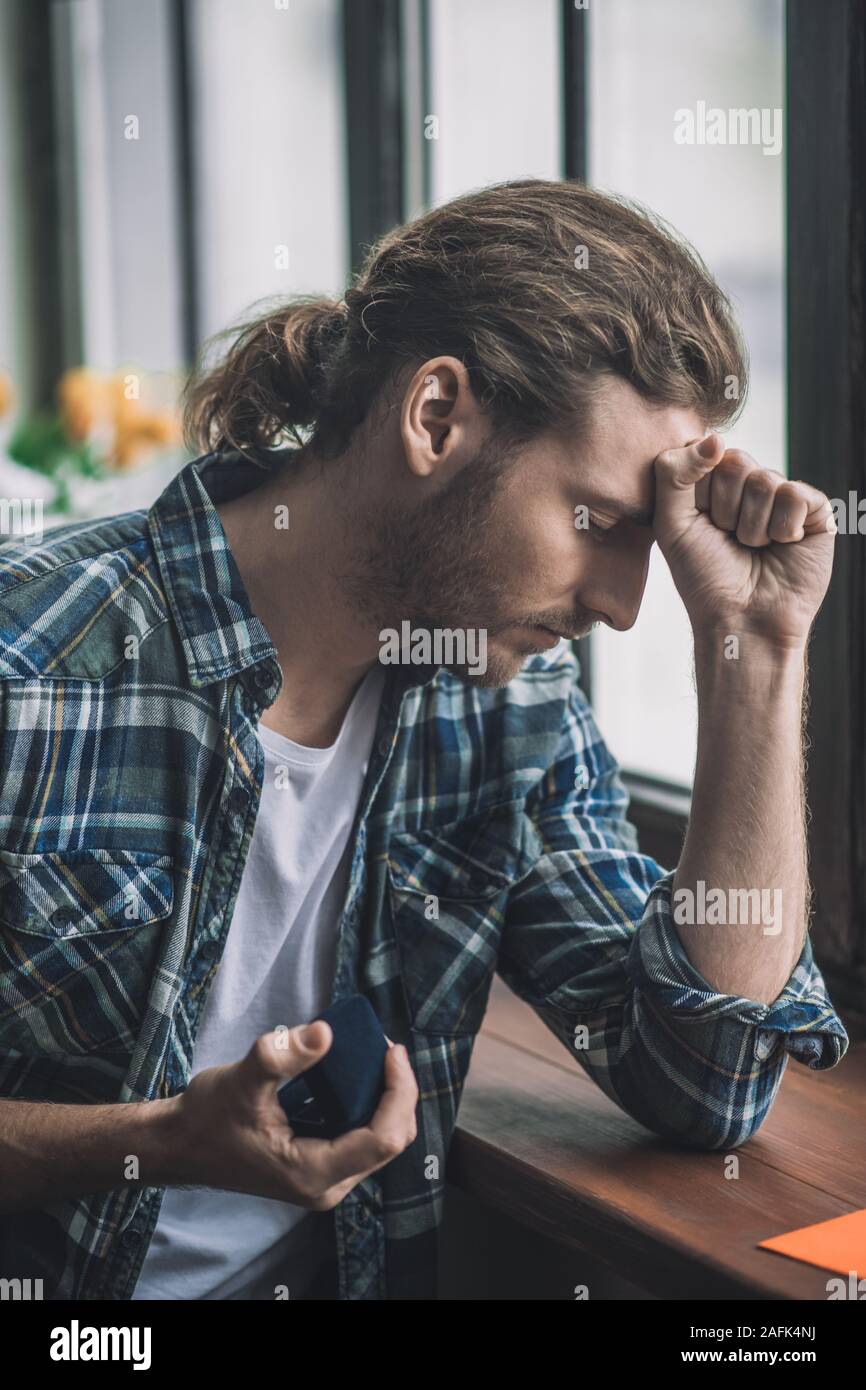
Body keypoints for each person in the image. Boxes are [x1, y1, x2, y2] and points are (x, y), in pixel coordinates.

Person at [0, 179, 848, 1301]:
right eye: (601, 523)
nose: (623, 604)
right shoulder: (33, 670)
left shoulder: (510, 711)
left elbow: (705, 1081)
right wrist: (157, 1139)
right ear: (434, 417)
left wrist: (756, 649)